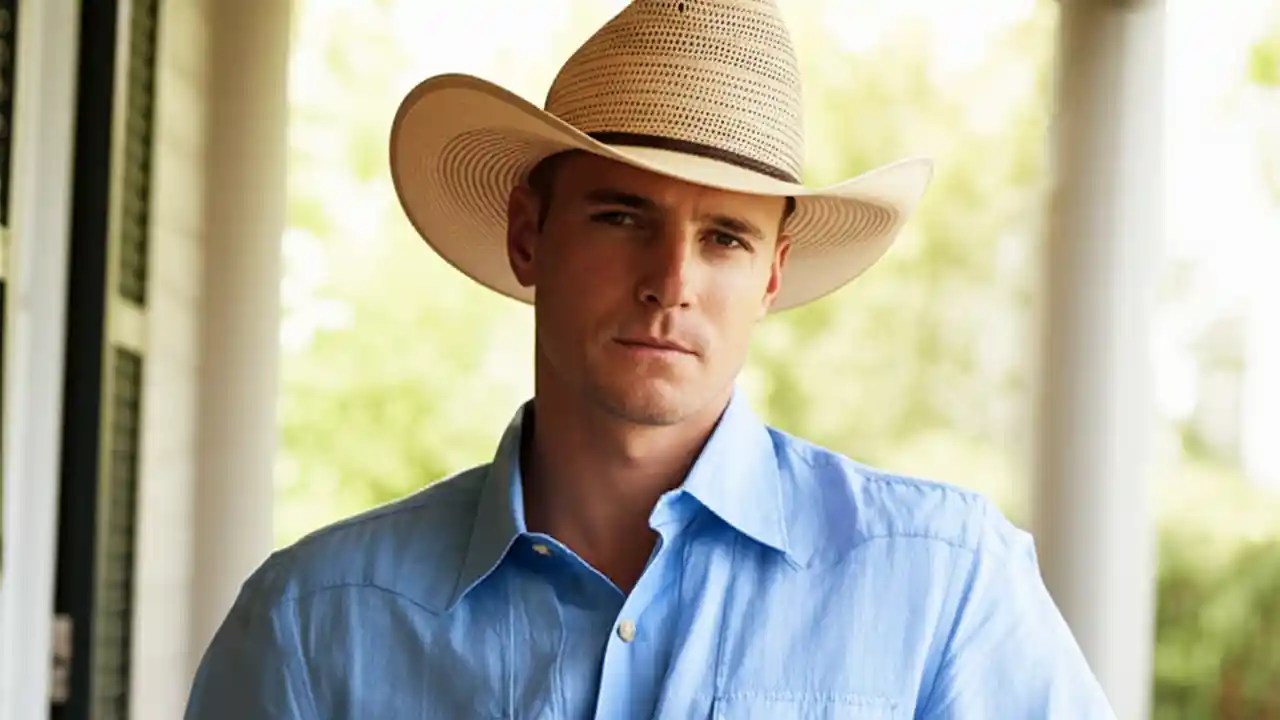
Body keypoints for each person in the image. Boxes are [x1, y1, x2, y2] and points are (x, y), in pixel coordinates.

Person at [186, 1, 1116, 717]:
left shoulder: (944, 584)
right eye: (622, 215)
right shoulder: (316, 622)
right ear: (527, 236)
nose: (671, 281)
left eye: (724, 238)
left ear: (772, 277)